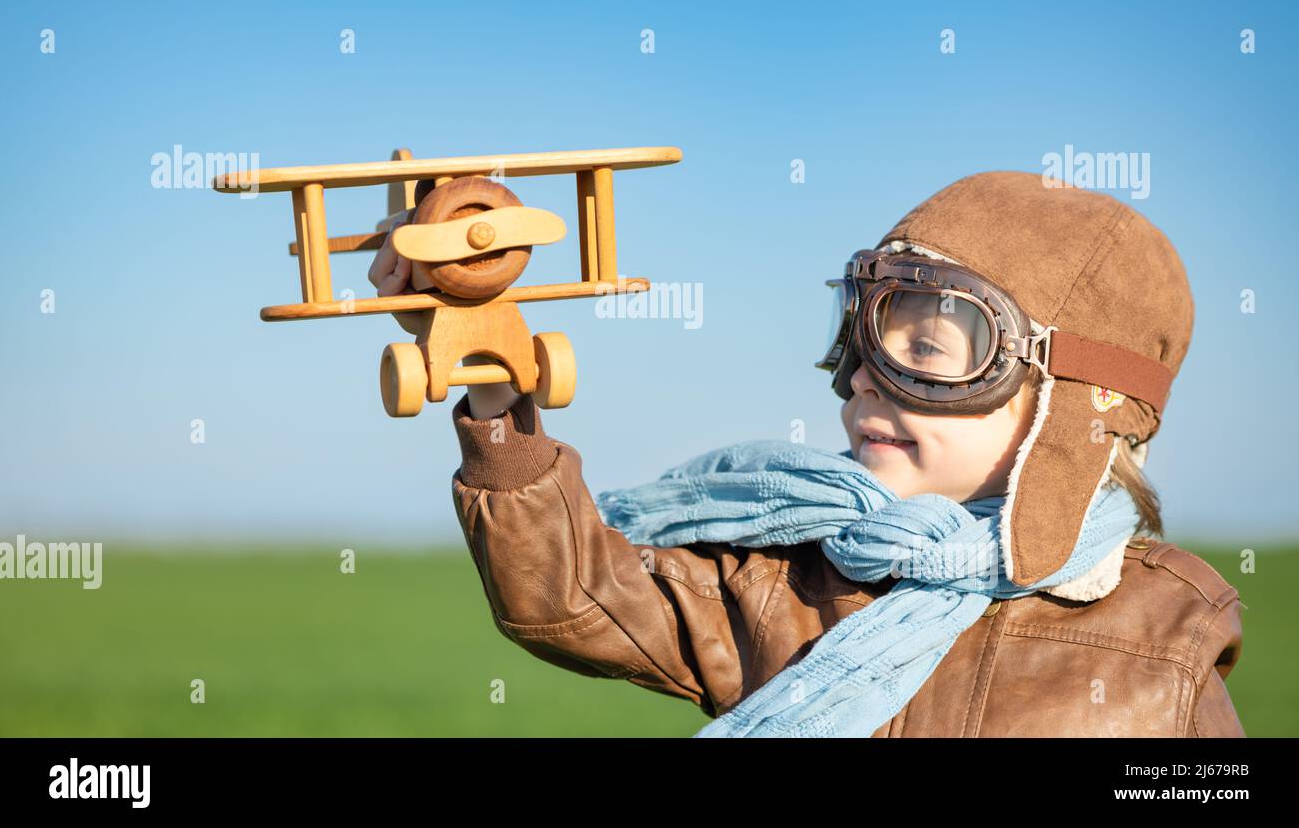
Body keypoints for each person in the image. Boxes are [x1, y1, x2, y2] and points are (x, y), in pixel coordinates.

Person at [369, 170, 1245, 737]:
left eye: (926, 346)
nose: (864, 378)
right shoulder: (788, 579)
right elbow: (571, 594)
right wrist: (493, 379)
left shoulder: (1168, 632)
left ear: (1074, 400)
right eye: (859, 335)